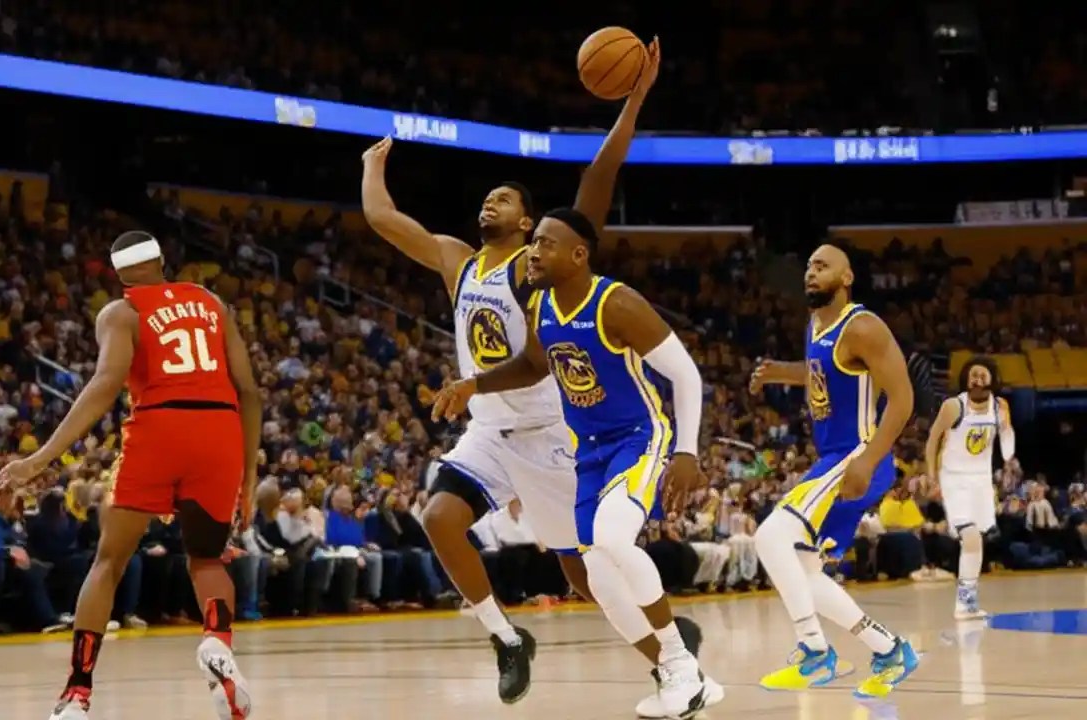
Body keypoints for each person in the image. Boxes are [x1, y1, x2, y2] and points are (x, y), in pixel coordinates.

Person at [362, 37, 704, 709]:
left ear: (528, 224)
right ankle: (507, 637)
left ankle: (667, 657)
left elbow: (593, 189)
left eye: (504, 199)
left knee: (585, 575)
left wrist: (632, 104)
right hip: (489, 430)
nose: (489, 204)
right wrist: (371, 166)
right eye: (486, 198)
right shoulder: (458, 260)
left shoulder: (535, 267)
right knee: (437, 515)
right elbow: (383, 219)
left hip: (552, 430)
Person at [431, 195, 723, 714]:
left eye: (546, 242)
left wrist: (686, 449)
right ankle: (683, 674)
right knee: (600, 582)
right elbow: (534, 366)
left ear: (579, 254)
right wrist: (475, 384)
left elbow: (685, 374)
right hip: (587, 449)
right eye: (535, 240)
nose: (535, 252)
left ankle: (679, 665)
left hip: (639, 436)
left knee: (612, 537)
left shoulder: (618, 303)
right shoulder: (541, 306)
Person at [0, 231, 262, 720]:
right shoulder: (212, 303)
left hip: (159, 426)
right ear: (161, 260)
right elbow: (250, 392)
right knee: (206, 558)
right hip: (220, 430)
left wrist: (40, 458)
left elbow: (105, 384)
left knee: (109, 562)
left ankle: (77, 693)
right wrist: (247, 478)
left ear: (118, 275)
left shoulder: (122, 312)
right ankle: (217, 640)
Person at [749, 244, 919, 699]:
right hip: (837, 459)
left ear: (846, 278)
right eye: (807, 265)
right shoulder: (816, 323)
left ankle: (815, 653)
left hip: (858, 456)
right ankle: (890, 651)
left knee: (769, 537)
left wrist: (867, 460)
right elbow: (820, 372)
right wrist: (779, 372)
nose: (810, 272)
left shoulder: (863, 326)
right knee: (806, 571)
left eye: (821, 266)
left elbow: (903, 398)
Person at [924, 355, 1014, 620]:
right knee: (971, 537)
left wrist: (1007, 428)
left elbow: (1007, 450)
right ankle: (963, 604)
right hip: (955, 479)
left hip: (981, 481)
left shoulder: (1000, 407)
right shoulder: (953, 406)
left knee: (976, 543)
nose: (977, 379)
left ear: (992, 380)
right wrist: (931, 475)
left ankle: (967, 602)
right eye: (973, 374)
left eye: (982, 375)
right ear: (965, 379)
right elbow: (932, 440)